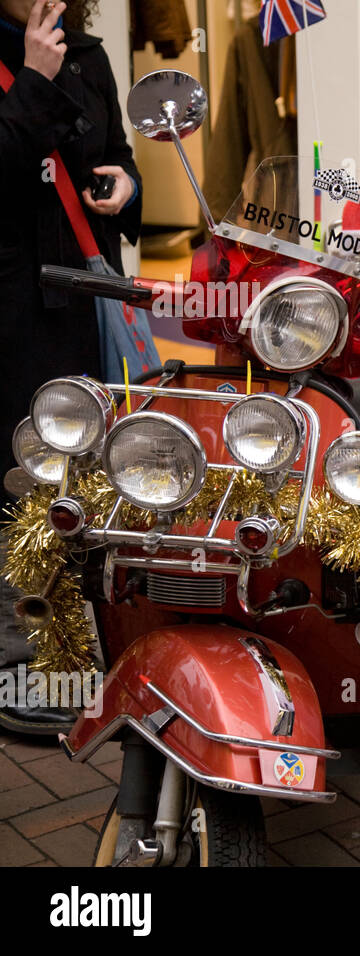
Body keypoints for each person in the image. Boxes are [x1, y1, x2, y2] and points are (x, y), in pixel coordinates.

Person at [0, 0, 140, 735]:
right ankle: (20, 664)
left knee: (83, 476)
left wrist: (126, 188)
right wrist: (31, 77)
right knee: (19, 478)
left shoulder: (86, 53)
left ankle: (81, 660)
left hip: (84, 300)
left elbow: (117, 157)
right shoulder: (39, 60)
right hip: (14, 309)